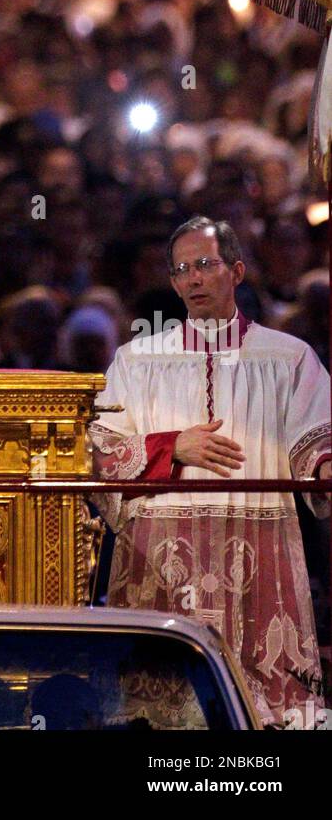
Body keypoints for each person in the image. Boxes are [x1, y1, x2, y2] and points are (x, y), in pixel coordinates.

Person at [89, 216, 331, 728]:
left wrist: (322, 466)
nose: (193, 279)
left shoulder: (287, 359)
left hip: (255, 542)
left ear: (237, 270)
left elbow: (318, 441)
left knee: (263, 713)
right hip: (161, 549)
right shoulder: (137, 360)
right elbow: (98, 452)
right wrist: (171, 446)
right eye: (181, 270)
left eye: (205, 264)